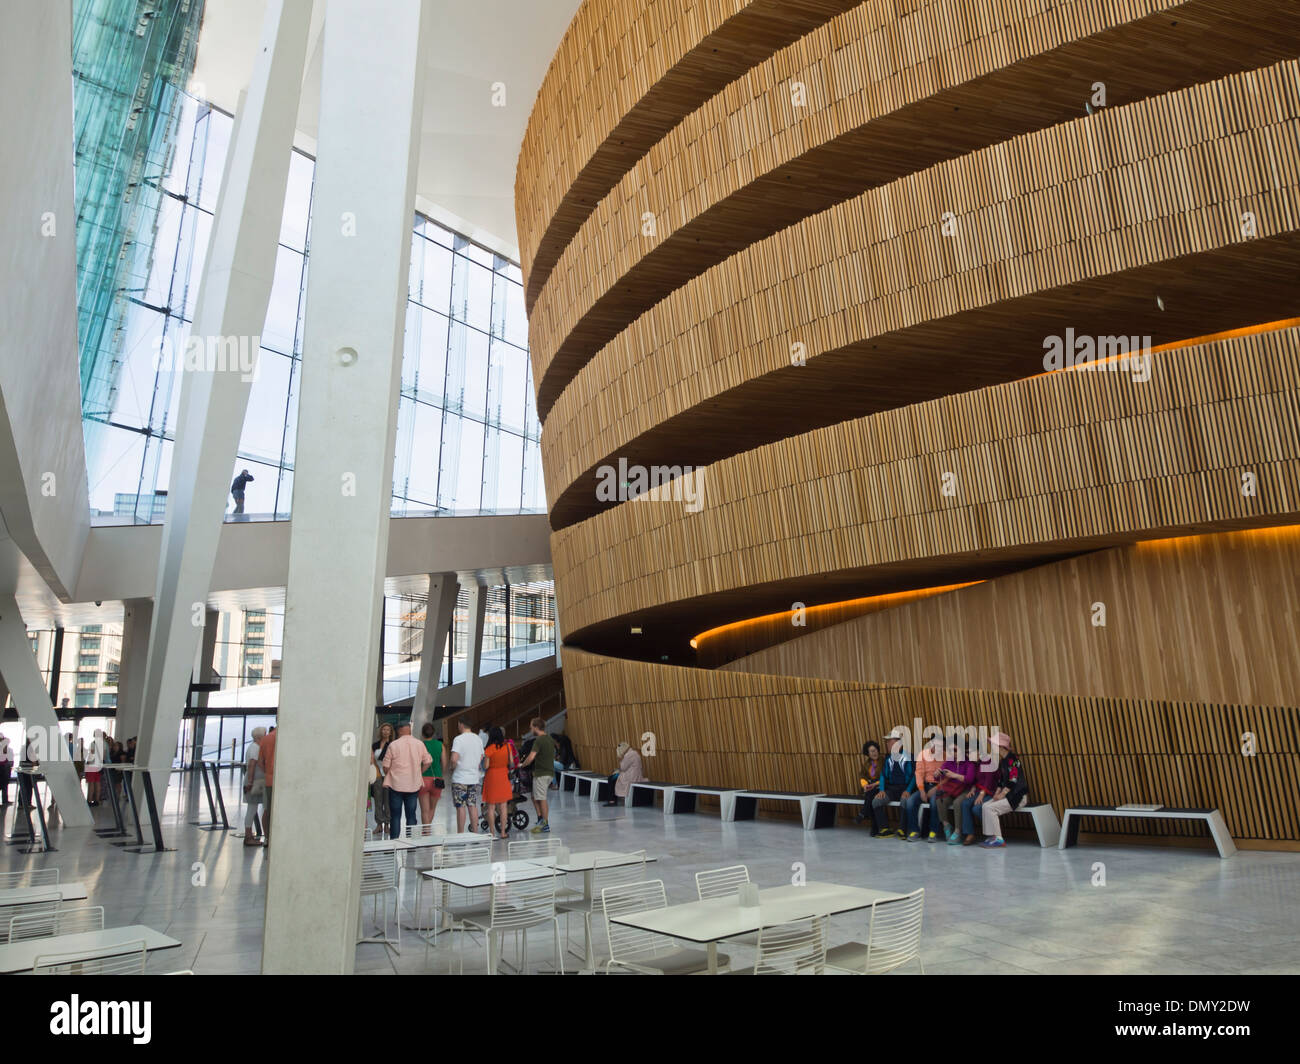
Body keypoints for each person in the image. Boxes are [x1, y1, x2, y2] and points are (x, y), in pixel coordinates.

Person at [382, 721, 431, 839]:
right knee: (411, 815)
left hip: (395, 785)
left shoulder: (393, 745)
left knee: (395, 816)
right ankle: (412, 843)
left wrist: (390, 774)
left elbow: (385, 767)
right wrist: (419, 772)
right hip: (413, 785)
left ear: (398, 731)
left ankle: (394, 843)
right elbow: (428, 761)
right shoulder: (419, 744)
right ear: (409, 729)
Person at [980, 734, 1029, 848]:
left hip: (1018, 797)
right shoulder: (1003, 761)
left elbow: (1013, 779)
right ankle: (992, 836)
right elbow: (1001, 780)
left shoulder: (1013, 759)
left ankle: (998, 839)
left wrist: (1002, 794)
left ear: (1001, 746)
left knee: (990, 808)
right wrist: (997, 792)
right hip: (1008, 795)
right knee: (985, 805)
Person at [869, 728, 914, 838]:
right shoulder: (888, 758)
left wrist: (908, 790)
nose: (887, 744)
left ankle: (902, 830)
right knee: (876, 801)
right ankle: (885, 829)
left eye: (890, 741)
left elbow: (915, 776)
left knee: (905, 800)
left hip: (906, 788)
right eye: (887, 742)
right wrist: (882, 790)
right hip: (892, 789)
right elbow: (883, 775)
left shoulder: (909, 756)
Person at [930, 737, 976, 844]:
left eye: (955, 750)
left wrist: (954, 775)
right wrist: (937, 774)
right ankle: (946, 826)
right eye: (950, 750)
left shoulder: (969, 762)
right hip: (952, 789)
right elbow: (938, 776)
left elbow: (969, 779)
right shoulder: (949, 761)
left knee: (957, 803)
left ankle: (958, 831)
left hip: (965, 789)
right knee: (940, 799)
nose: (952, 753)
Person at [958, 738, 1002, 846]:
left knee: (977, 808)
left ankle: (992, 834)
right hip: (979, 791)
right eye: (967, 753)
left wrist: (981, 795)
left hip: (991, 792)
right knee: (965, 803)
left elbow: (989, 780)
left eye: (971, 752)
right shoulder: (976, 763)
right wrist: (973, 789)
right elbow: (976, 780)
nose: (968, 755)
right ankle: (970, 833)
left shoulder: (988, 761)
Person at [900, 734, 943, 841]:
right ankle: (914, 830)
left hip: (938, 787)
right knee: (910, 801)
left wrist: (936, 788)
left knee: (934, 803)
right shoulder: (923, 754)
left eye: (941, 746)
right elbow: (919, 774)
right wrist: (921, 790)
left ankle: (933, 831)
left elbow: (947, 776)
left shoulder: (945, 756)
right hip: (924, 786)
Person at [449, 718, 485, 833]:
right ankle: (475, 833)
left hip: (460, 778)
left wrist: (452, 768)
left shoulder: (458, 739)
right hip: (473, 778)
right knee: (472, 805)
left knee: (460, 806)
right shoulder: (478, 739)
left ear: (461, 724)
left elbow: (454, 758)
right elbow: (481, 757)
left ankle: (461, 834)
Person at [519, 718, 555, 833]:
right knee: (535, 797)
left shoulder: (539, 740)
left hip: (541, 774)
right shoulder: (549, 739)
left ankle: (545, 824)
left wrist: (522, 765)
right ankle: (540, 819)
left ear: (536, 727)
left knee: (541, 798)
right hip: (548, 772)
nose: (530, 729)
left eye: (531, 727)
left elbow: (531, 757)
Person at [482, 727, 513, 839]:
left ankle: (492, 833)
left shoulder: (489, 749)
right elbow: (511, 762)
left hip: (492, 777)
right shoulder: (508, 746)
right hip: (503, 776)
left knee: (491, 807)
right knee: (503, 806)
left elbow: (486, 766)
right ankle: (503, 832)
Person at [417, 722, 445, 828]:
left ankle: (426, 832)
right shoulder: (440, 745)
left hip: (423, 778)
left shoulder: (420, 745)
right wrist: (441, 774)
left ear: (422, 734)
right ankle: (427, 830)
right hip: (437, 779)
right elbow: (444, 762)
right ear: (433, 733)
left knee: (424, 810)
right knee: (432, 808)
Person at [370, 722, 395, 838]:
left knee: (388, 800)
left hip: (390, 774)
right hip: (378, 775)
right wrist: (377, 771)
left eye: (388, 730)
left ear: (391, 732)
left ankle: (387, 824)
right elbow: (372, 760)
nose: (385, 731)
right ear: (381, 731)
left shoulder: (393, 745)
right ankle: (379, 824)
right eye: (383, 729)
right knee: (378, 800)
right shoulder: (375, 745)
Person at [243, 726, 267, 847]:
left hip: (253, 781)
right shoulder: (255, 748)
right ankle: (248, 835)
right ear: (259, 737)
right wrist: (250, 782)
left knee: (252, 808)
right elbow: (252, 766)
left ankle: (249, 834)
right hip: (254, 782)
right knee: (252, 809)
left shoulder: (254, 747)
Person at [603, 740, 644, 807]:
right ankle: (612, 799)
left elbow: (623, 767)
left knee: (611, 778)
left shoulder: (629, 755)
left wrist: (620, 763)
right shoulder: (634, 753)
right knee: (613, 778)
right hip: (634, 775)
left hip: (630, 777)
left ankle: (612, 800)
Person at [854, 740, 883, 824]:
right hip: (870, 786)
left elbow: (886, 777)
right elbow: (862, 776)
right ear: (868, 754)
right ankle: (873, 826)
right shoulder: (866, 764)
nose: (874, 753)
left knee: (870, 794)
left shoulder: (883, 761)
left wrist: (875, 784)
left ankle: (863, 813)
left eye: (875, 750)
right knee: (869, 794)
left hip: (880, 786)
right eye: (872, 751)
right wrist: (865, 785)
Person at [257, 726, 277, 847]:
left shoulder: (266, 739)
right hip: (284, 782)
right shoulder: (289, 737)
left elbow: (260, 761)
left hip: (270, 780)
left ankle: (268, 838)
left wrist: (268, 772)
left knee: (268, 810)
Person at [84, 729, 104, 806]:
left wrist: (88, 763)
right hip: (99, 766)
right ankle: (97, 800)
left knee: (91, 783)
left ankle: (89, 800)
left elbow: (91, 754)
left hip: (92, 766)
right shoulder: (103, 744)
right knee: (97, 783)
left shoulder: (93, 743)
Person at [0, 734, 12, 806]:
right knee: (3, 783)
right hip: (2, 766)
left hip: (4, 765)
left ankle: (5, 800)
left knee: (5, 783)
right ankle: (5, 800)